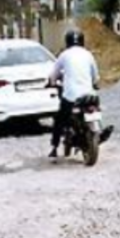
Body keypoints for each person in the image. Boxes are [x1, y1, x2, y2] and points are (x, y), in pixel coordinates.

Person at [48, 30, 101, 159]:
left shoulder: (64, 55)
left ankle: (54, 147)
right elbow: (96, 77)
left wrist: (52, 82)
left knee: (59, 119)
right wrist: (93, 83)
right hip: (89, 95)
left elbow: (53, 75)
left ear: (67, 42)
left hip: (71, 96)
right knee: (96, 109)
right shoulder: (88, 55)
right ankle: (98, 132)